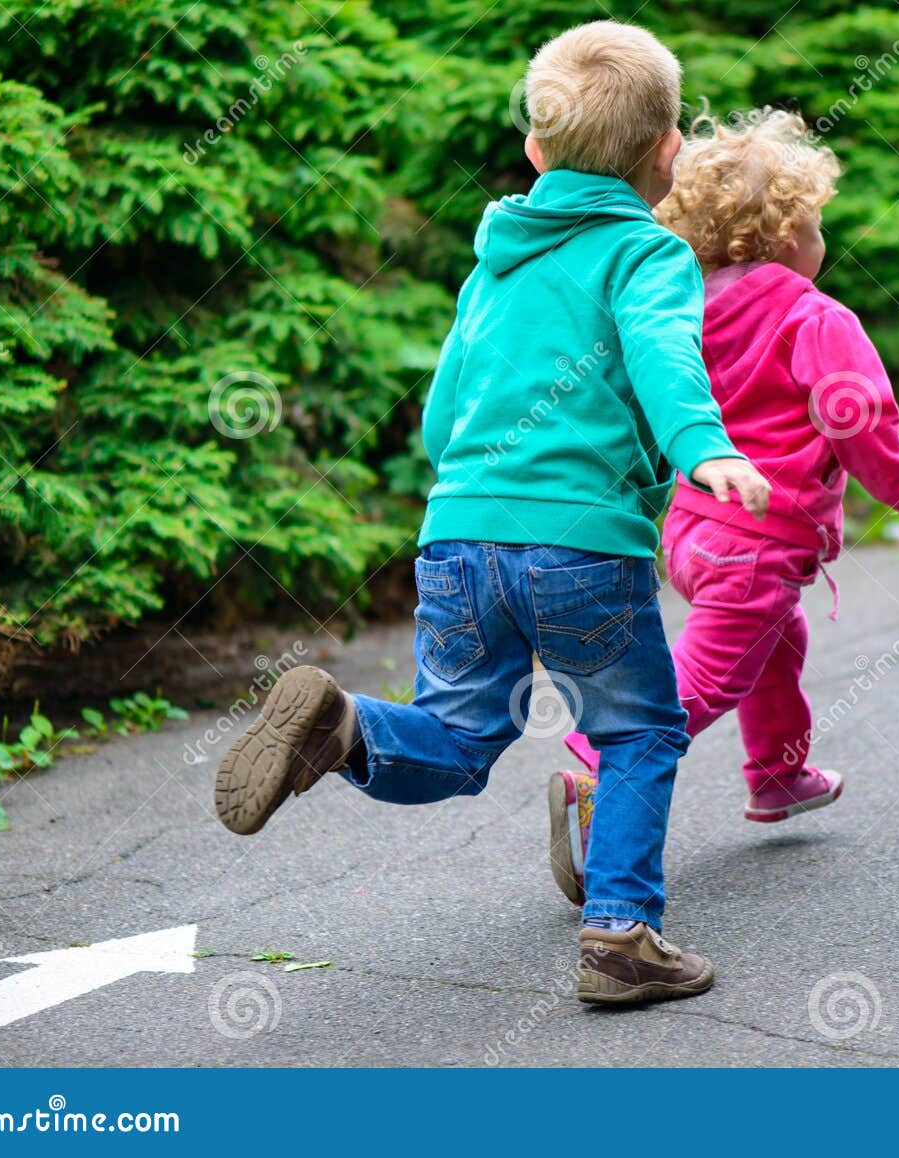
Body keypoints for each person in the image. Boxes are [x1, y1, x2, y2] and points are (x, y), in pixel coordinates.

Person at [213, 22, 770, 1007]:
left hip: (459, 533)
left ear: (536, 151)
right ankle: (621, 937)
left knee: (460, 737)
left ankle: (344, 729)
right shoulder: (646, 256)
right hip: (580, 545)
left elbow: (442, 412)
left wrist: (471, 492)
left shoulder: (494, 264)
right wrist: (703, 449)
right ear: (667, 149)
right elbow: (661, 355)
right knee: (639, 732)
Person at [552, 108, 899, 903]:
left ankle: (777, 774)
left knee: (776, 642)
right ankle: (598, 761)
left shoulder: (680, 309)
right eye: (819, 224)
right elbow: (852, 411)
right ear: (793, 230)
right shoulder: (811, 314)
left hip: (691, 530)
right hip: (757, 537)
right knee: (705, 680)